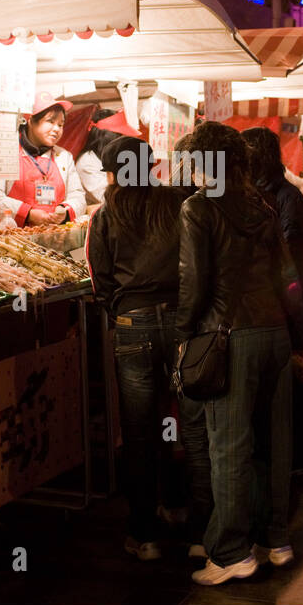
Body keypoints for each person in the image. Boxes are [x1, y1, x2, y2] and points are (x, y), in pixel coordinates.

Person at [176, 122, 303, 586]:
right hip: (274, 333)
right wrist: (298, 336)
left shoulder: (198, 208)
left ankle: (231, 552)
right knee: (273, 442)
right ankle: (275, 539)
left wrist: (183, 331)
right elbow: (289, 278)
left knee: (228, 446)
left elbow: (194, 285)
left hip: (229, 337)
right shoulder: (261, 205)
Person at [86, 135, 208, 562]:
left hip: (132, 324)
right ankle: (194, 527)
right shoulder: (178, 203)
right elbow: (196, 261)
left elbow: (100, 280)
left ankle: (145, 535)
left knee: (139, 431)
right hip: (180, 319)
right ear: (151, 166)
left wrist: (120, 311)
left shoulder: (105, 215)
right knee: (189, 424)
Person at [242, 126, 303, 482]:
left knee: (294, 383)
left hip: (290, 302)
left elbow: (289, 259)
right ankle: (276, 459)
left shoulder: (287, 198)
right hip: (269, 304)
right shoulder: (252, 194)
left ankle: (296, 462)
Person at [0, 92, 87, 226]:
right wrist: (28, 213)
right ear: (31, 121)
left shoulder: (64, 157)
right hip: (14, 237)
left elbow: (78, 195)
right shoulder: (7, 153)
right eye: (50, 121)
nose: (56, 129)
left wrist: (64, 211)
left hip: (54, 236)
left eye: (61, 124)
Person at [74, 109, 141, 211]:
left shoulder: (110, 159)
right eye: (120, 136)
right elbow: (108, 197)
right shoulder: (87, 163)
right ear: (107, 137)